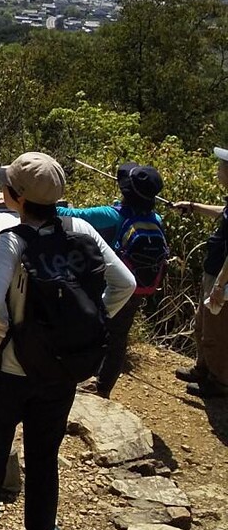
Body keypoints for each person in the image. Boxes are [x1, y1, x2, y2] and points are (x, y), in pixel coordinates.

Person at [0, 152, 135, 530]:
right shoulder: (82, 230)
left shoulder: (14, 240)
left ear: (16, 196)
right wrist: (88, 323)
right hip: (60, 369)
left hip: (5, 370)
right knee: (44, 455)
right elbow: (126, 283)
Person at [57, 163, 167, 398]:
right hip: (139, 286)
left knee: (98, 330)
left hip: (114, 287)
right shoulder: (155, 217)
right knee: (119, 338)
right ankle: (104, 386)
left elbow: (69, 215)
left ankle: (92, 382)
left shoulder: (113, 215)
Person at [172, 146, 228, 399]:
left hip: (221, 278)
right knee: (202, 323)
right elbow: (223, 213)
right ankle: (203, 368)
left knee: (217, 331)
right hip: (214, 274)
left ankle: (220, 382)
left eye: (221, 167)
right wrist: (193, 206)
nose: (218, 170)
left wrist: (220, 283)